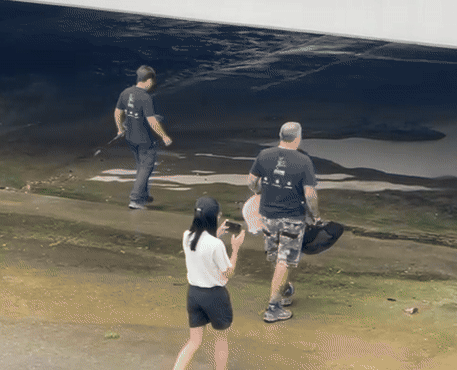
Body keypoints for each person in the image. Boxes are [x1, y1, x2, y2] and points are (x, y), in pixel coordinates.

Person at [247, 121, 322, 323]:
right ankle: (273, 307)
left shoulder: (264, 155)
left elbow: (252, 181)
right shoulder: (303, 161)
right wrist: (315, 214)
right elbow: (310, 194)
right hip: (292, 217)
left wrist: (258, 193)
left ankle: (285, 289)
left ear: (280, 135)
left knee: (276, 256)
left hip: (268, 215)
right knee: (284, 260)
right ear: (298, 138)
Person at [173, 196, 245, 370]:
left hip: (194, 294)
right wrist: (235, 249)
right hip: (215, 296)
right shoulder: (216, 245)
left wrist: (216, 234)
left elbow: (201, 247)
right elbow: (229, 272)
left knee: (194, 341)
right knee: (221, 339)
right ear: (214, 217)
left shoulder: (187, 236)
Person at [113, 65, 173, 209]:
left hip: (131, 138)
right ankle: (135, 200)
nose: (153, 84)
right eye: (152, 81)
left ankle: (143, 196)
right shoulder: (146, 98)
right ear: (147, 80)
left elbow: (117, 112)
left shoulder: (126, 92)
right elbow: (152, 121)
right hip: (145, 140)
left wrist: (120, 128)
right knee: (146, 168)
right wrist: (164, 136)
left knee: (141, 166)